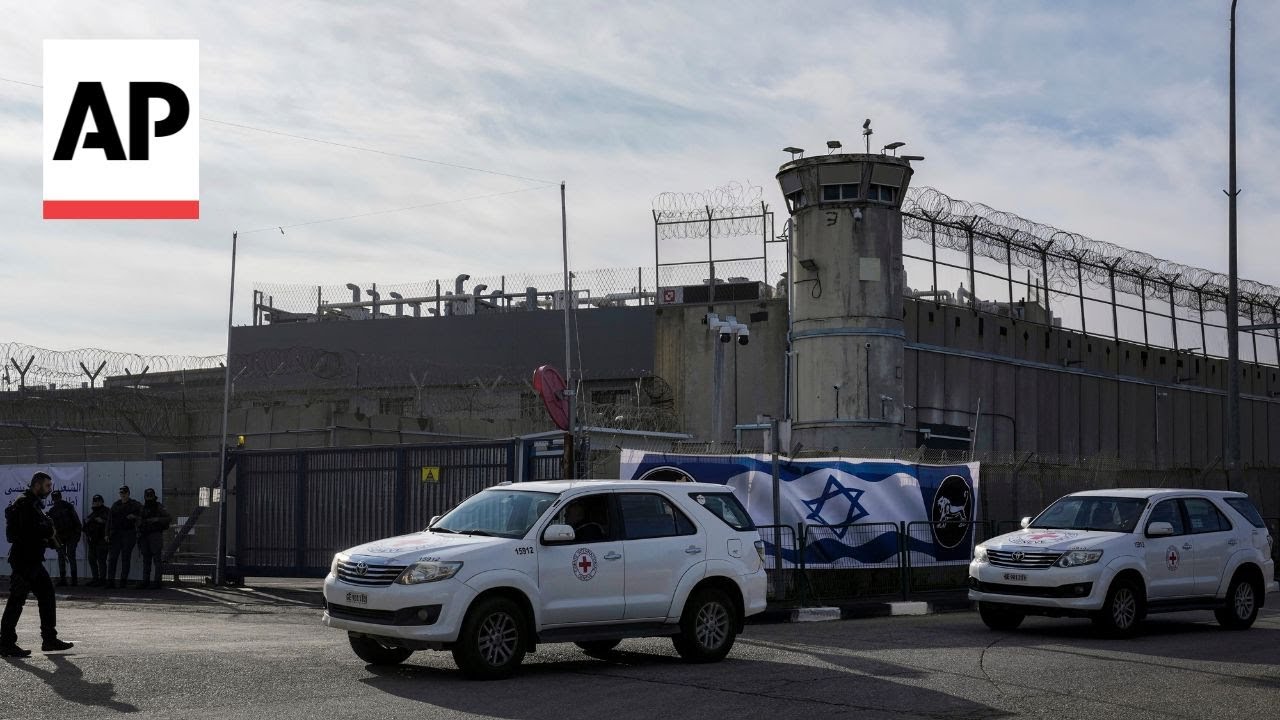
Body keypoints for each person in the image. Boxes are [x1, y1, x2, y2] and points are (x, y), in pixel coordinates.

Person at [1, 472, 74, 657]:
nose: (50, 490)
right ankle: (6, 643)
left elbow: (36, 532)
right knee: (17, 599)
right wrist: (46, 530)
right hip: (24, 559)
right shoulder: (24, 503)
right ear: (37, 485)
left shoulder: (33, 505)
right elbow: (23, 533)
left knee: (47, 594)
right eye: (47, 486)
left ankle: (49, 639)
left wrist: (50, 537)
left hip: (32, 559)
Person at [106, 485, 142, 590]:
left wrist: (134, 517)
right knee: (112, 559)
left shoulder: (134, 504)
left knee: (125, 558)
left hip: (128, 534)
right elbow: (109, 520)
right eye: (121, 493)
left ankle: (123, 582)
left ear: (128, 493)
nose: (123, 495)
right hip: (116, 534)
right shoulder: (116, 505)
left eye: (125, 493)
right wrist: (107, 534)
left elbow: (143, 514)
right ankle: (110, 582)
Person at [137, 488, 171, 590]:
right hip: (145, 535)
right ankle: (146, 581)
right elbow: (139, 521)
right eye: (147, 496)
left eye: (150, 496)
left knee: (157, 560)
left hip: (155, 535)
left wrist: (157, 519)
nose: (149, 498)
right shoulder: (143, 508)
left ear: (153, 496)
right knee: (146, 560)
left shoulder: (158, 506)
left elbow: (168, 518)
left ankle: (157, 582)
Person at [47, 490, 82, 587]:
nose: (56, 500)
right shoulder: (53, 511)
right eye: (55, 498)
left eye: (56, 498)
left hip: (70, 536)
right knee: (63, 557)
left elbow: (76, 522)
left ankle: (73, 580)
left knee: (69, 556)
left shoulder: (67, 507)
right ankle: (64, 580)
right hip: (61, 537)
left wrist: (76, 535)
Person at [82, 495, 110, 587]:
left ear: (102, 502)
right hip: (93, 541)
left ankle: (102, 580)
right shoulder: (93, 513)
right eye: (95, 501)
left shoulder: (106, 511)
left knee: (101, 560)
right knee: (92, 559)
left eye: (98, 501)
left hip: (102, 540)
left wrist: (102, 521)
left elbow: (111, 524)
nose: (96, 503)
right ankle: (95, 579)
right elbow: (85, 527)